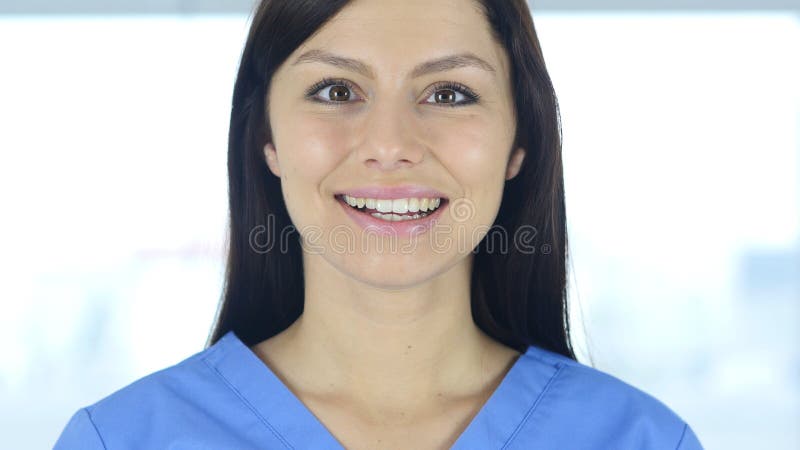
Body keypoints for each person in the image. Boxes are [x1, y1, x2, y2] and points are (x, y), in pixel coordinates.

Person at [54, 0, 705, 448]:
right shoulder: (120, 439)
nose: (390, 144)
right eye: (337, 90)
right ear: (267, 139)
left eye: (448, 93)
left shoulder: (643, 439)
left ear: (518, 143)